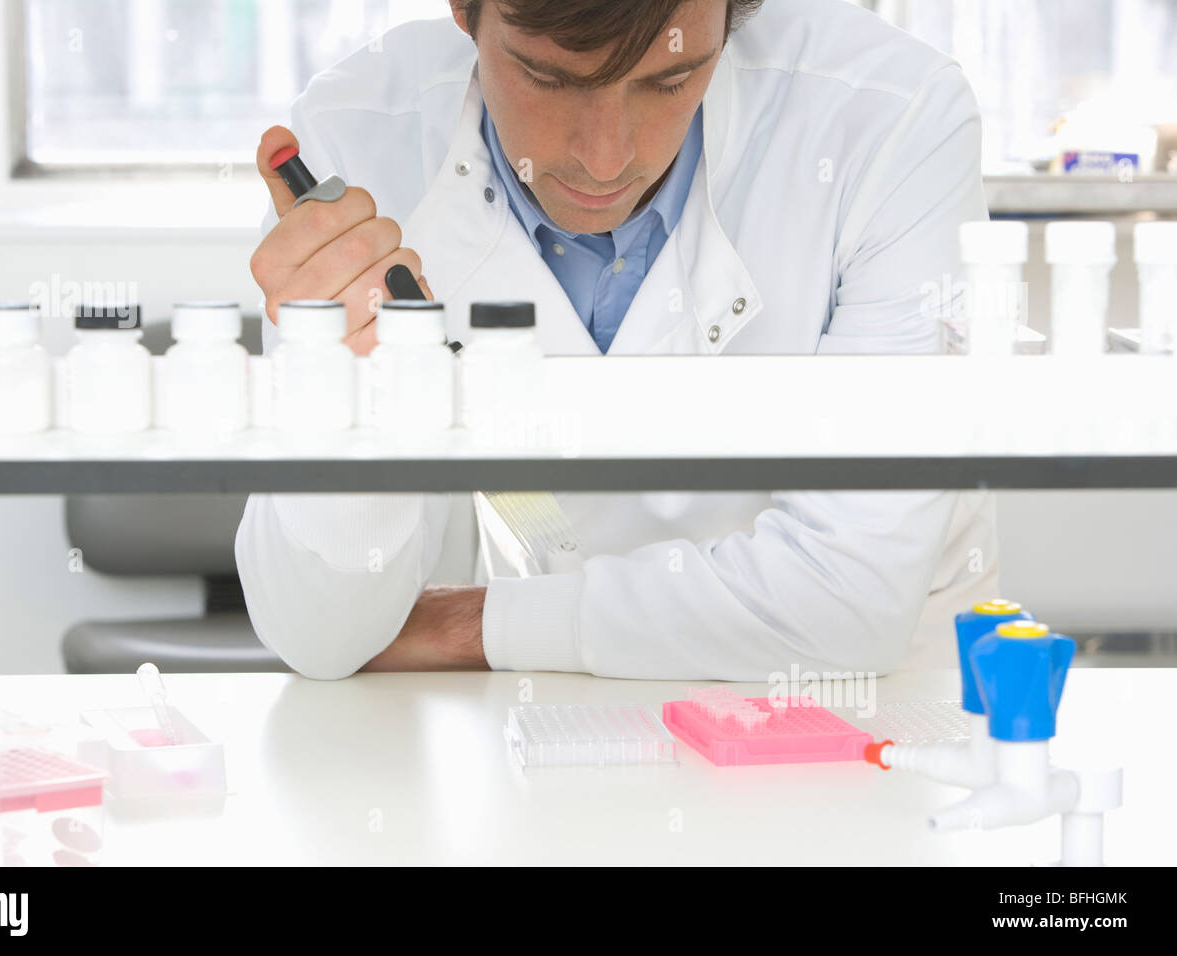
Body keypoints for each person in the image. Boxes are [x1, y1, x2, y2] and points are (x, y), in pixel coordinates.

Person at [236, 0, 1000, 680]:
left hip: (865, 736)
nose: (605, 159)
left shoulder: (895, 119)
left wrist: (478, 623)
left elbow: (849, 602)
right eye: (547, 77)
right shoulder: (358, 142)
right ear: (465, 13)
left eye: (670, 80)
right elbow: (324, 638)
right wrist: (344, 391)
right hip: (541, 736)